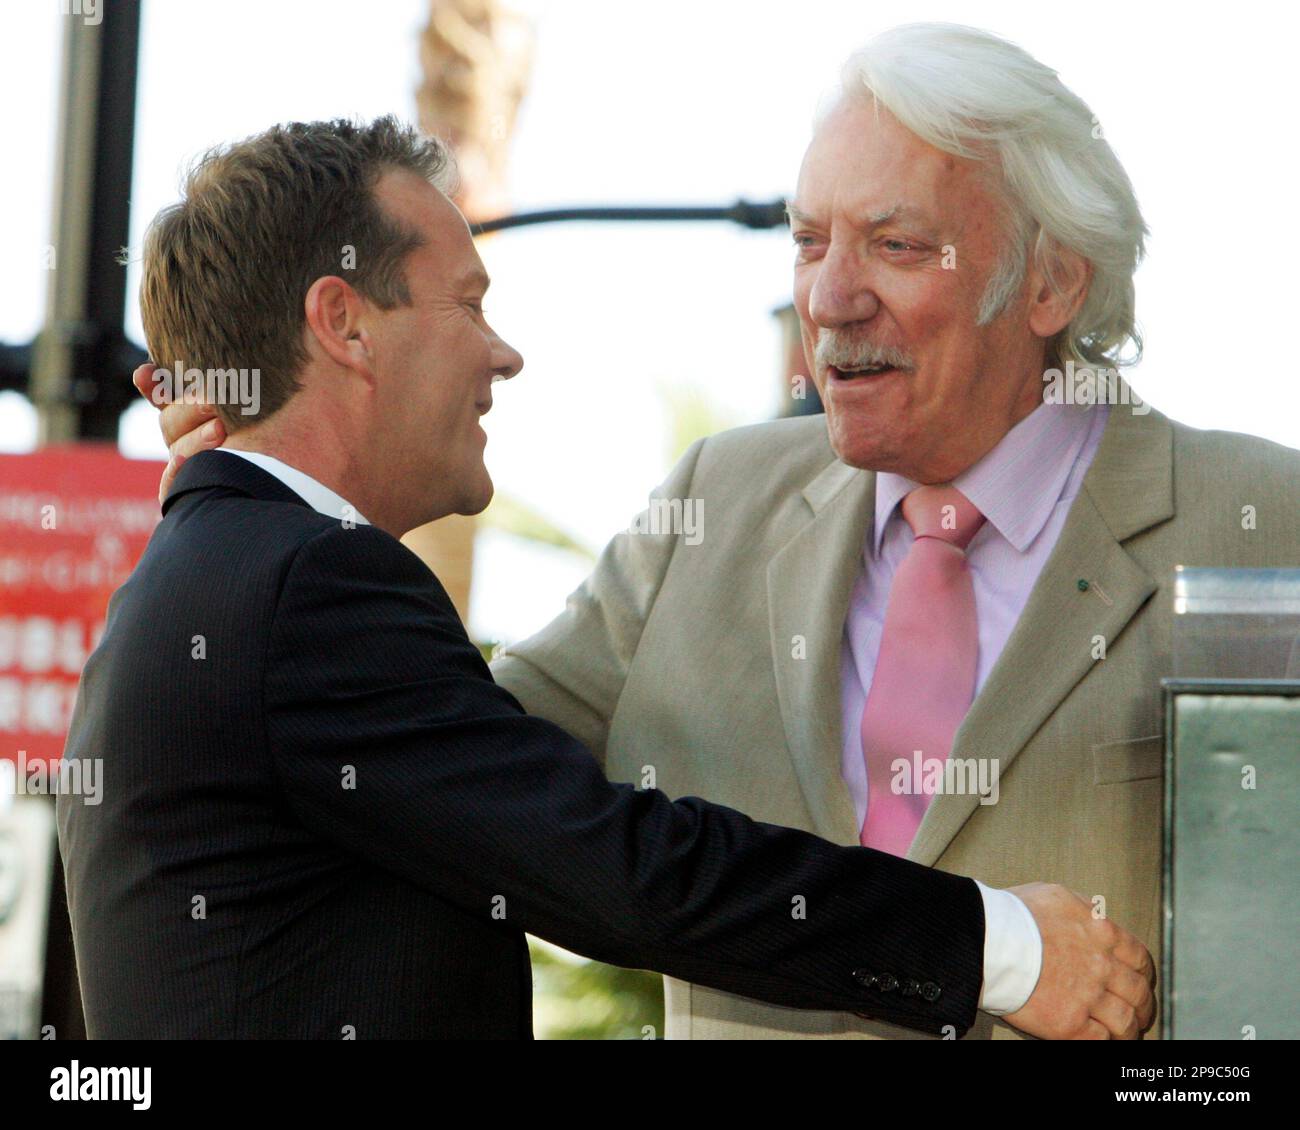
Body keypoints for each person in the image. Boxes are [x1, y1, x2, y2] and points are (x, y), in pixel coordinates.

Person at [77, 115, 1154, 1040]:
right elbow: (617, 864)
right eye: (466, 304)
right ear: (342, 323)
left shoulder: (216, 577)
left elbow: (502, 778)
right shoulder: (300, 586)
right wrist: (1000, 945)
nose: (503, 355)